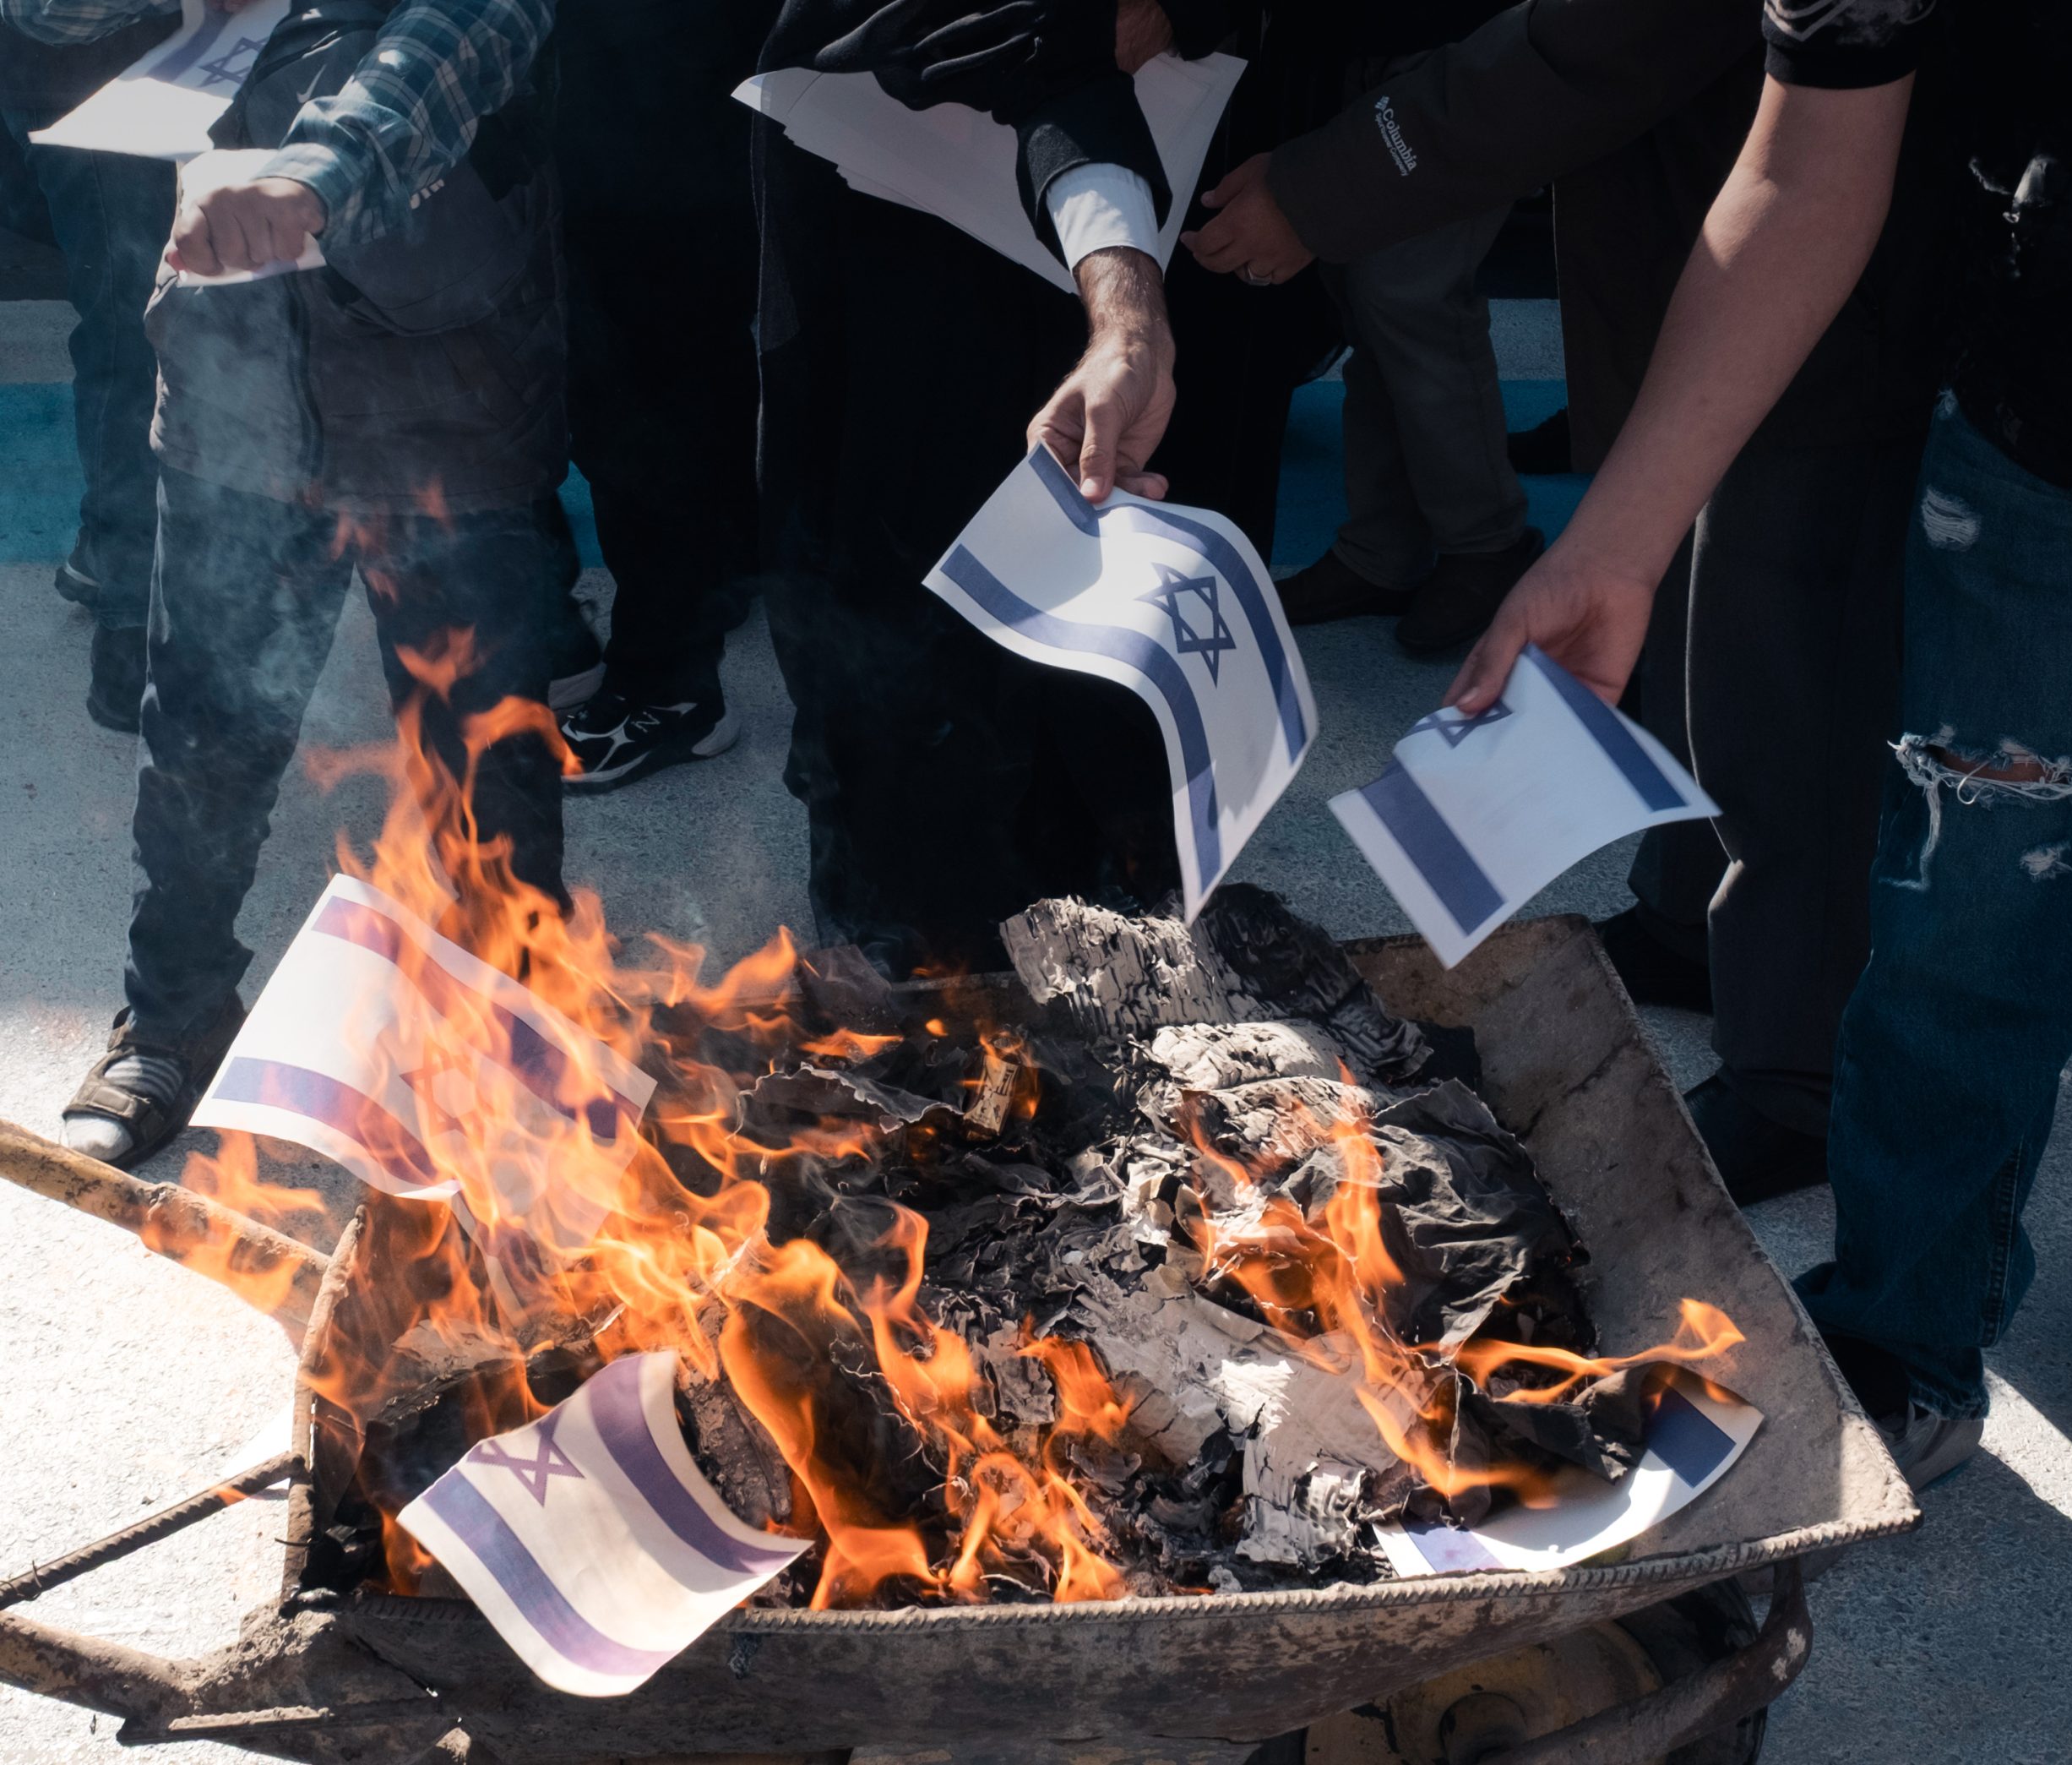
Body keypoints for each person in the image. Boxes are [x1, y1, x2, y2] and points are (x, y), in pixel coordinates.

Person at [1447, 0, 2072, 1466]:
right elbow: (1805, 162)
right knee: (1968, 909)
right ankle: (1905, 1331)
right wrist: (1620, 542)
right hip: (2067, 423)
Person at [1181, 0, 1939, 1203]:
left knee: (1792, 661)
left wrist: (1324, 185)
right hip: (1698, 254)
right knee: (1690, 611)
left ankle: (1797, 1073)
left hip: (1816, 299)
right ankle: (1689, 920)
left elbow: (1596, 41)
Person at [6, 0, 572, 1169]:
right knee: (201, 729)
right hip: (230, 356)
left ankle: (509, 1027)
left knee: (482, 746)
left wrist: (323, 170)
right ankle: (173, 1013)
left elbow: (477, 22)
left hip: (444, 357)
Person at [753, 0, 1187, 976]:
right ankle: (911, 957)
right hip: (902, 216)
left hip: (1146, 208)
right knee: (900, 622)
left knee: (1111, 620)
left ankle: (1113, 902)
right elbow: (1043, 47)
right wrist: (1127, 306)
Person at [1260, 1, 1546, 657]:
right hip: (1348, 43)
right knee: (1361, 298)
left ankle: (1487, 542)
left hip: (1458, 43)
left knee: (1411, 293)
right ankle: (1383, 546)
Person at [546, 0, 767, 793]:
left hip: (661, 114)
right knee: (667, 377)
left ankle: (672, 689)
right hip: (640, 106)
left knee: (650, 400)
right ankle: (710, 595)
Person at [1, 12, 176, 729]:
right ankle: (130, 636)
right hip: (93, 82)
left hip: (172, 69)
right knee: (136, 333)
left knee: (162, 321)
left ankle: (109, 549)